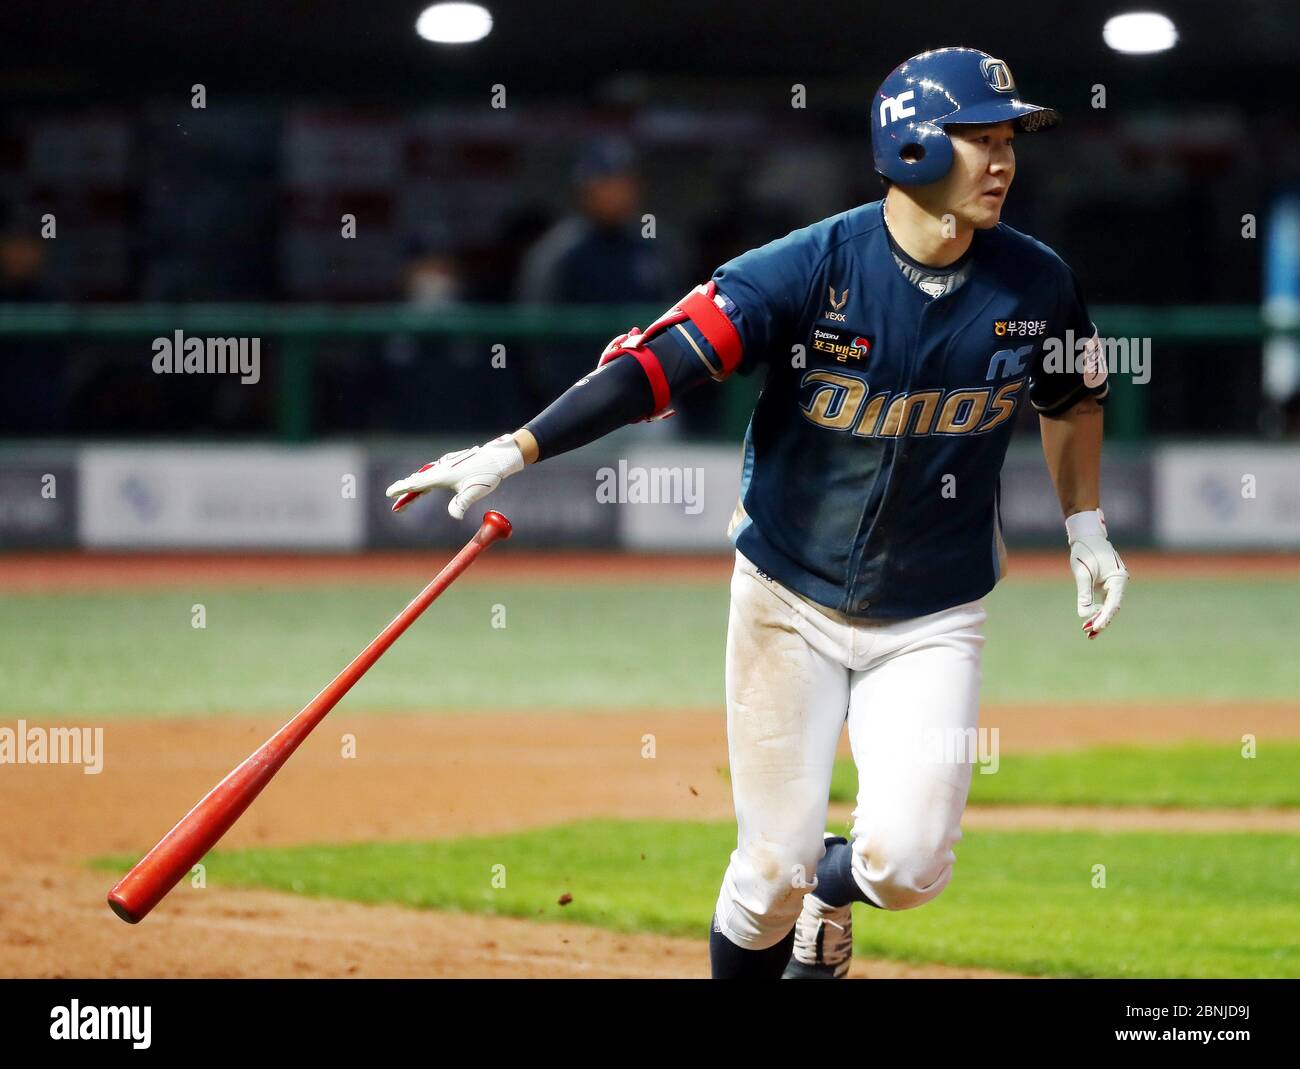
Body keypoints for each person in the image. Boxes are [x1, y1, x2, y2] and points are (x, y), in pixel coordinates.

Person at [384, 47, 1129, 980]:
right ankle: (791, 897)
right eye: (978, 137)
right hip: (788, 598)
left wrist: (1085, 526)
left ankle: (834, 890)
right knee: (765, 874)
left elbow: (1073, 401)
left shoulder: (1037, 282)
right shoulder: (811, 268)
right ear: (908, 148)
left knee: (907, 865)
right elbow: (656, 366)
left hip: (934, 611)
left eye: (1008, 138)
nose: (1003, 159)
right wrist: (516, 446)